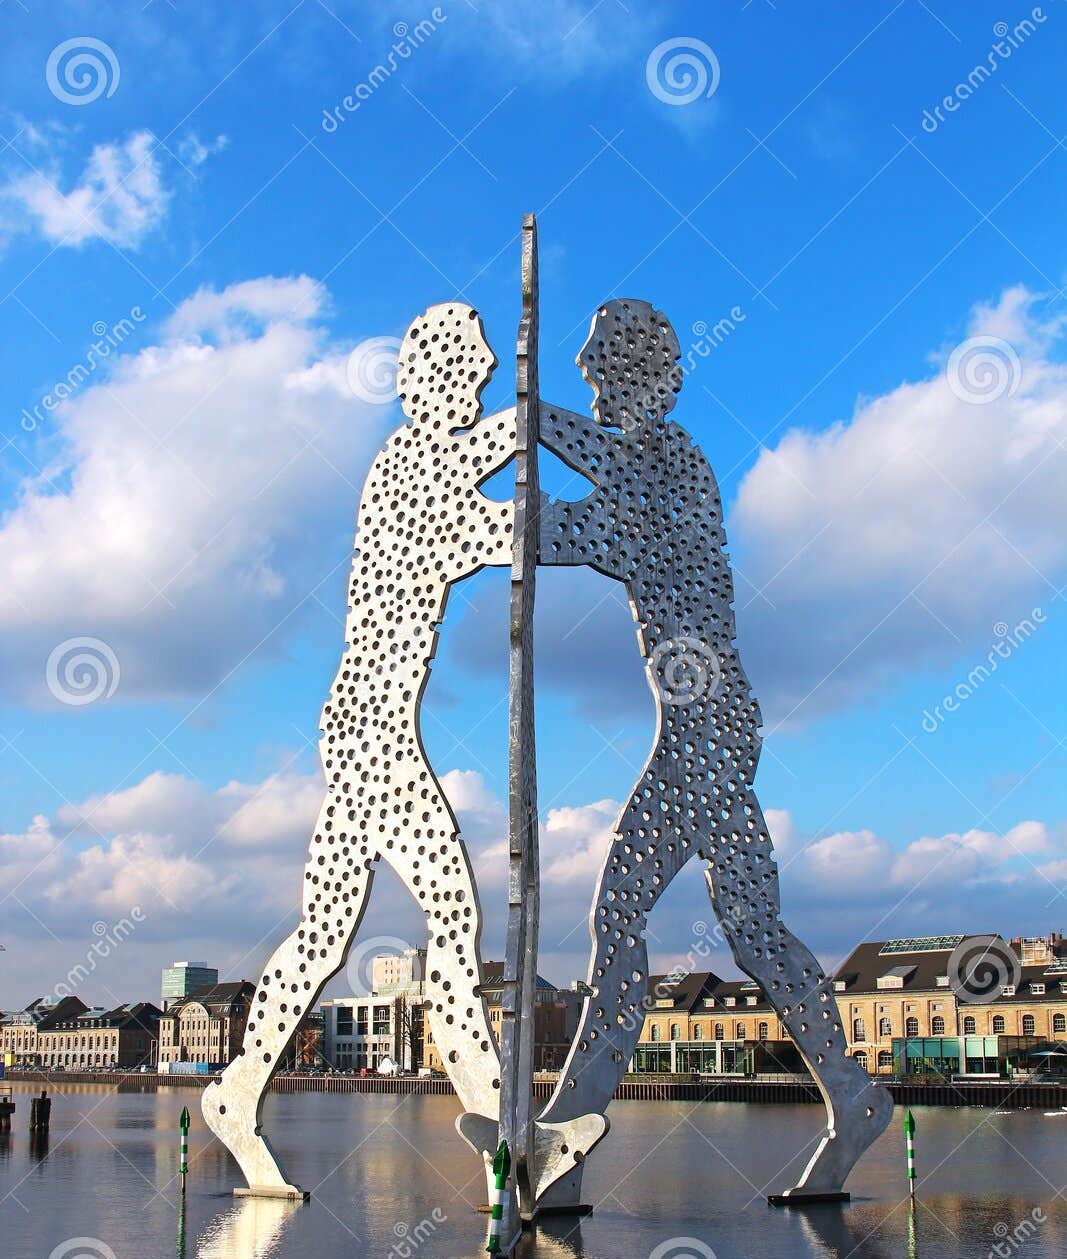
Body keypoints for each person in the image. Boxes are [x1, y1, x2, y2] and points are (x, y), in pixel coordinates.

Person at [531, 299, 891, 1203]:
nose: (589, 375)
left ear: (648, 372)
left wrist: (516, 426)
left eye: (603, 362)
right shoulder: (639, 472)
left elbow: (589, 524)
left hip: (709, 724)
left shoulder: (673, 461)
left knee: (618, 916)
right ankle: (851, 1098)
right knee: (753, 928)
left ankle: (564, 1132)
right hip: (716, 724)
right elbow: (576, 525)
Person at [203, 303, 515, 1193]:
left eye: (492, 369)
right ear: (427, 374)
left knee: (323, 933)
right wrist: (540, 454)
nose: (485, 376)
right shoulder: (407, 463)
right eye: (473, 364)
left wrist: (531, 433)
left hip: (360, 729)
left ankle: (236, 1089)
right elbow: (484, 532)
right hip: (372, 732)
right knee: (451, 920)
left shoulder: (424, 457)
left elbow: (489, 467)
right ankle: (499, 1132)